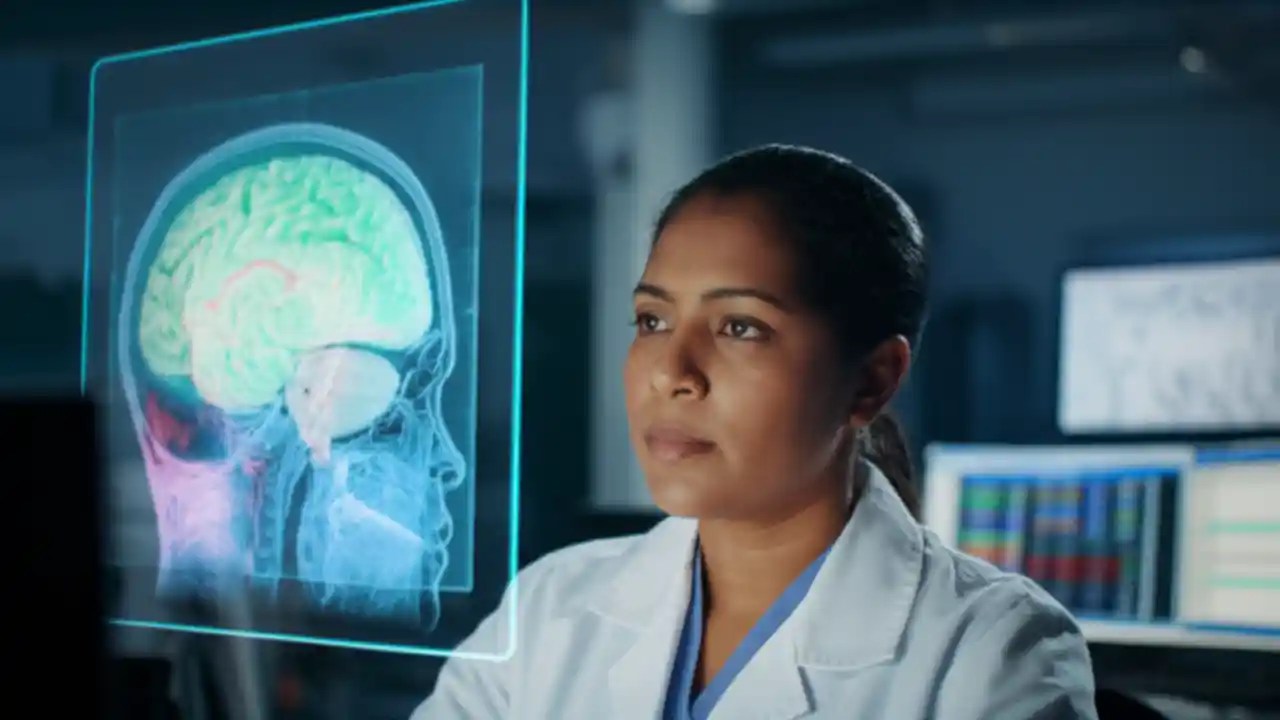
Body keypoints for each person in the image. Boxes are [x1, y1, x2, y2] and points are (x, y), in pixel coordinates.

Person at [411, 145, 1098, 719]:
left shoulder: (989, 653)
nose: (671, 373)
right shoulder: (551, 608)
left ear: (872, 381)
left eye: (741, 327)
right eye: (652, 321)